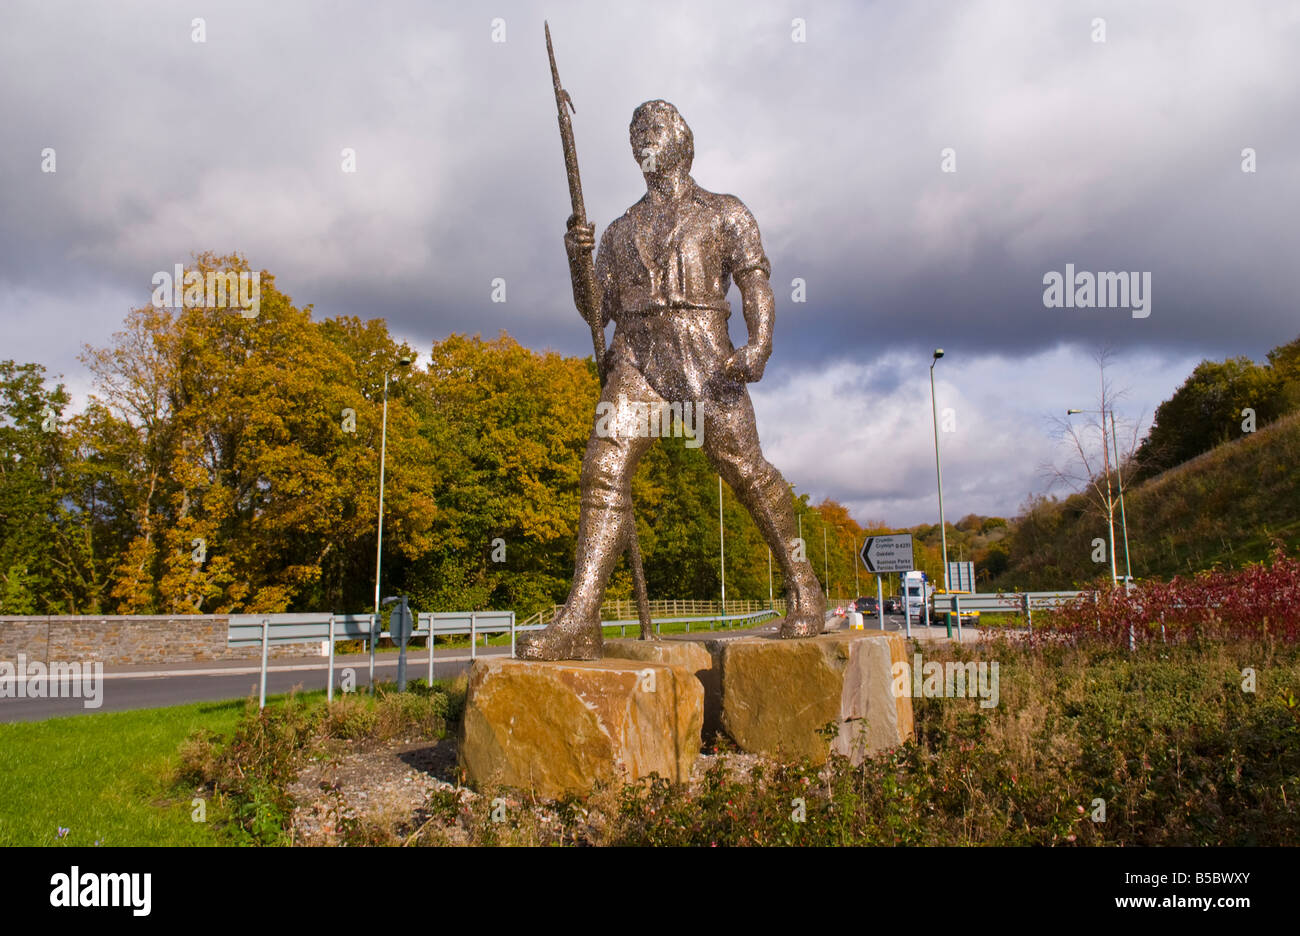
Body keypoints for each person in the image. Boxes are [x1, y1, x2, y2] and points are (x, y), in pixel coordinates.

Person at [517, 100, 825, 660]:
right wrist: (576, 260)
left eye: (653, 130)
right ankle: (581, 616)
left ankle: (805, 588)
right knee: (603, 469)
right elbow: (596, 310)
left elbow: (755, 283)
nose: (643, 140)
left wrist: (759, 344)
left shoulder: (725, 212)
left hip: (705, 358)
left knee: (745, 470)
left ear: (682, 141)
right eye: (636, 133)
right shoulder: (617, 230)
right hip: (635, 359)